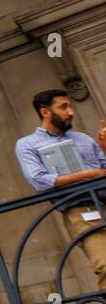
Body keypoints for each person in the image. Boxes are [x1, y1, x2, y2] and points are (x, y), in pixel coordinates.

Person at [14, 89, 106, 289]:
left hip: (104, 200)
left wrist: (104, 147)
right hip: (81, 212)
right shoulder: (27, 144)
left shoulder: (84, 139)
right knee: (105, 265)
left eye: (70, 106)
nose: (71, 112)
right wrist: (87, 175)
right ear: (45, 112)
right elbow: (38, 180)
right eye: (63, 107)